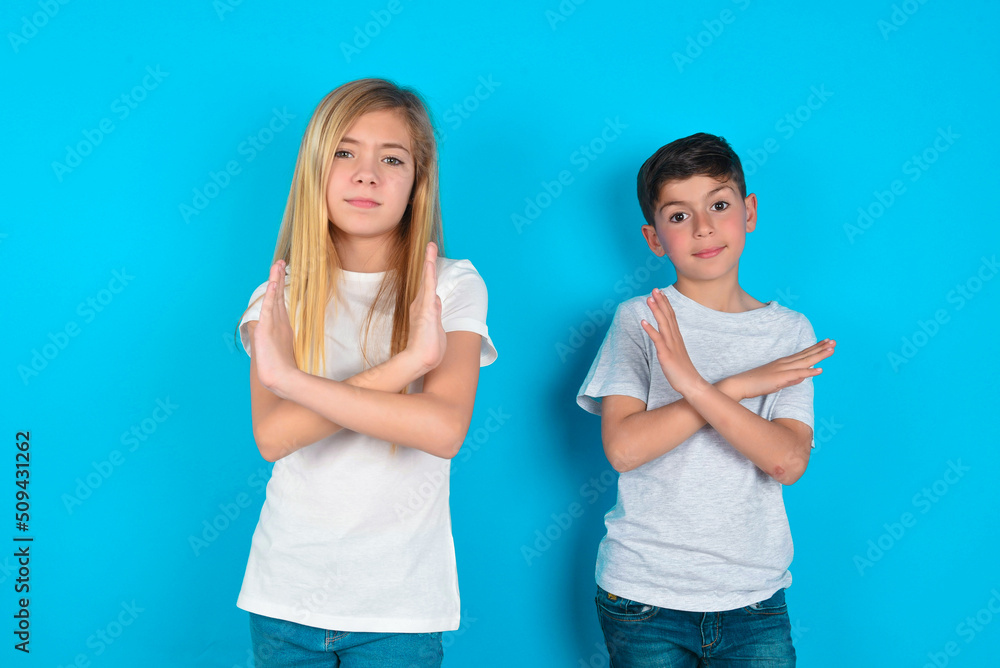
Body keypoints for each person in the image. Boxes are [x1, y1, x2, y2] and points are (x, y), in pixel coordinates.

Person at [233, 78, 497, 667]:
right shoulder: (281, 294)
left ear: (417, 182)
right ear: (316, 170)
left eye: (392, 159)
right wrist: (405, 366)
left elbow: (442, 428)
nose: (367, 175)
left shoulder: (451, 285)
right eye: (345, 153)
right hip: (286, 596)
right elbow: (275, 437)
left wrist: (295, 384)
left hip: (399, 605)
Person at [576, 132, 835, 666]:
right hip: (642, 597)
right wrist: (734, 387)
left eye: (719, 205)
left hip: (754, 598)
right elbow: (624, 449)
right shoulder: (639, 319)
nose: (703, 228)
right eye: (678, 216)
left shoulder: (788, 333)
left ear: (749, 211)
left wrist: (693, 385)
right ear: (653, 238)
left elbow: (787, 460)